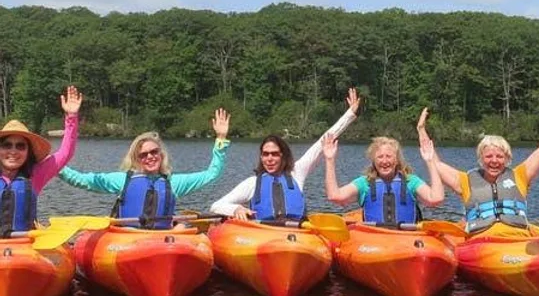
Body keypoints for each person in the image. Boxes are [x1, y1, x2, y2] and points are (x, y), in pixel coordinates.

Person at [59, 108, 230, 229]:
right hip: (127, 238)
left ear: (161, 154)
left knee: (181, 228)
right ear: (137, 159)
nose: (150, 157)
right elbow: (82, 180)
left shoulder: (174, 183)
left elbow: (212, 173)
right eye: (143, 154)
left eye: (154, 152)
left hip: (161, 239)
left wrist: (221, 139)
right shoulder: (123, 180)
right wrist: (56, 167)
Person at [210, 89, 361, 221]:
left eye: (274, 154)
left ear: (282, 156)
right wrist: (236, 209)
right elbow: (216, 206)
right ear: (261, 157)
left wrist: (350, 114)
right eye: (265, 154)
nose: (269, 159)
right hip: (265, 235)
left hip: (295, 235)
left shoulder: (297, 172)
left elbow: (323, 141)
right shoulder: (252, 183)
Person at [417, 108, 539, 238]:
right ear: (481, 159)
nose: (494, 161)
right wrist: (421, 130)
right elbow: (434, 161)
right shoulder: (466, 181)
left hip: (517, 239)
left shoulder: (520, 176)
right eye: (488, 156)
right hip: (481, 241)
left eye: (499, 156)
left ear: (507, 159)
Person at [323, 110, 444, 226]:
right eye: (380, 157)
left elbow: (436, 198)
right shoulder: (364, 183)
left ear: (397, 160)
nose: (384, 161)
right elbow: (335, 196)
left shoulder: (410, 182)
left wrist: (430, 161)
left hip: (406, 238)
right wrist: (329, 159)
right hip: (374, 238)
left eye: (389, 156)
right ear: (374, 161)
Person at [0, 86, 83, 236]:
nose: (13, 151)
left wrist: (71, 116)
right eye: (7, 145)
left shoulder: (36, 174)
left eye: (20, 146)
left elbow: (65, 153)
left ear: (28, 152)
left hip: (24, 244)